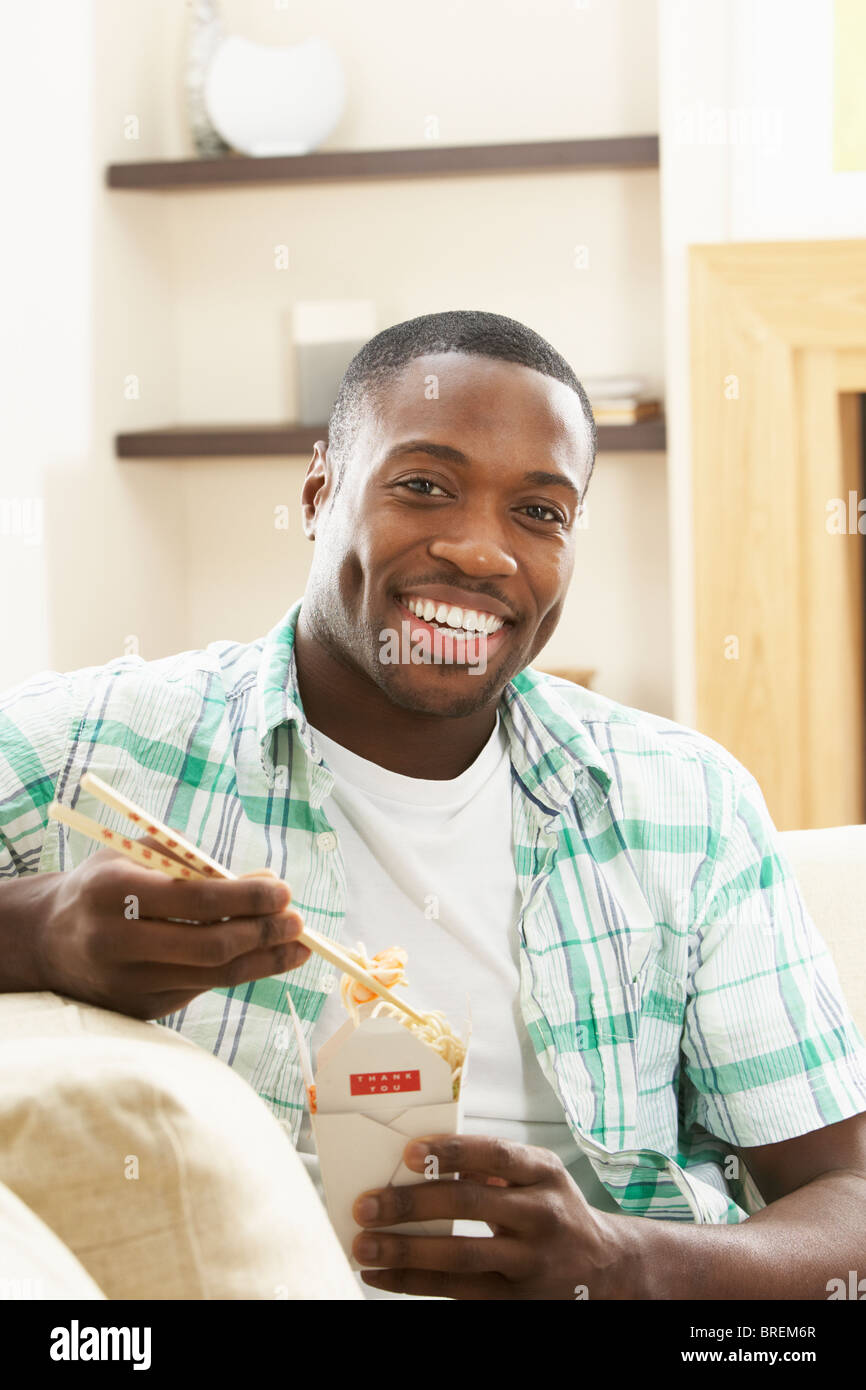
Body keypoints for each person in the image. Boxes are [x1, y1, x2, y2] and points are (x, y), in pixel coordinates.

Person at [1, 310, 865, 1302]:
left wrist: (629, 1263)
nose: (479, 552)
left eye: (537, 512)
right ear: (320, 494)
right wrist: (39, 936)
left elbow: (844, 1196)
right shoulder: (87, 748)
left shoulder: (686, 802)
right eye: (422, 486)